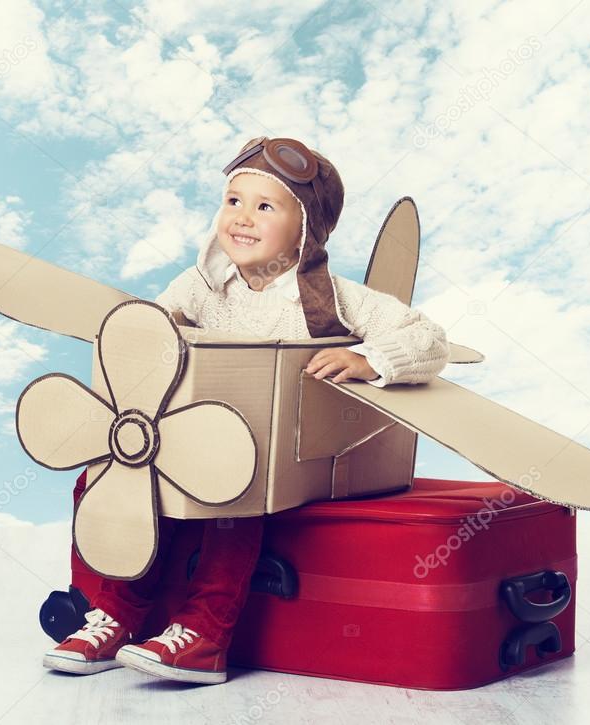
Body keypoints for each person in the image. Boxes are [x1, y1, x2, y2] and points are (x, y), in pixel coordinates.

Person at [42, 136, 450, 684]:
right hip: (189, 440)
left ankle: (205, 633)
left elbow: (429, 339)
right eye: (234, 201)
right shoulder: (202, 286)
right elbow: (147, 333)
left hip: (283, 459)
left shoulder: (334, 298)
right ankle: (117, 611)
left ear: (304, 229)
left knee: (233, 484)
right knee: (119, 468)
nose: (242, 218)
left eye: (265, 207)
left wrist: (368, 357)